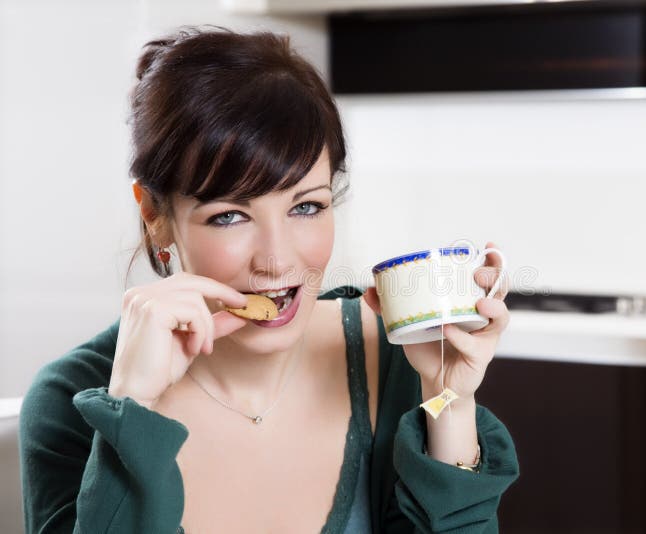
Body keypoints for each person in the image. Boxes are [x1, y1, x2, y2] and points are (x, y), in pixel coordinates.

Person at [18, 26, 519, 533]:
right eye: (230, 215)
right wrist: (131, 408)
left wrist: (448, 398)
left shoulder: (395, 355)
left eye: (306, 206)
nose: (278, 262)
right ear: (155, 214)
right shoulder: (73, 400)